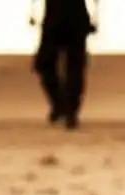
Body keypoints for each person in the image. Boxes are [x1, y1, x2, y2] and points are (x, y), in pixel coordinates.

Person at [28, 0, 99, 129]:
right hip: (69, 18)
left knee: (55, 64)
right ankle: (65, 107)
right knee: (71, 66)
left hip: (58, 19)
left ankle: (64, 107)